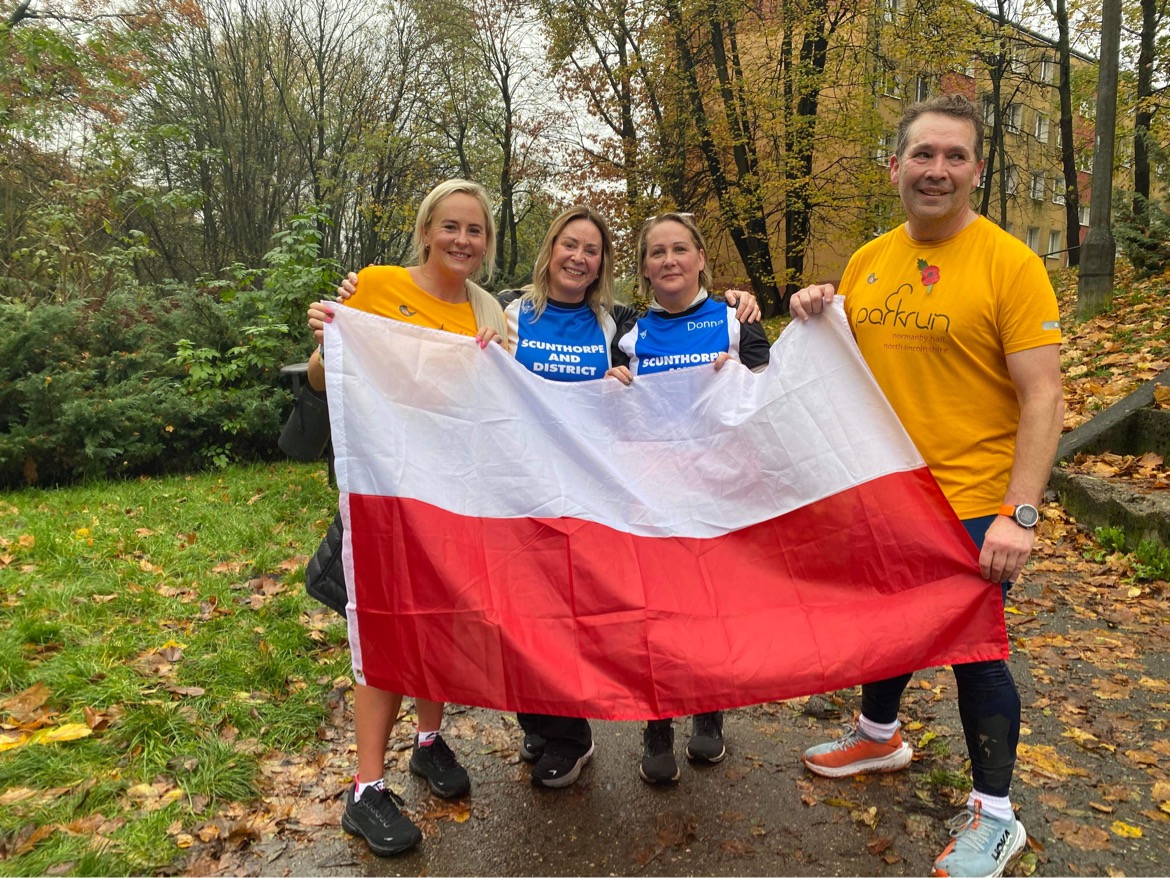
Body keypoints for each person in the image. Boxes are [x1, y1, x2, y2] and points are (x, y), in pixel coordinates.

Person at [337, 206, 762, 791]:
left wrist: (736, 307)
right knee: (523, 610)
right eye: (569, 244)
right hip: (520, 491)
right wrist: (356, 311)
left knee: (597, 609)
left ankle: (639, 719)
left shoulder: (618, 323)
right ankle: (546, 722)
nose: (578, 257)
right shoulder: (505, 309)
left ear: (605, 266)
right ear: (550, 250)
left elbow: (679, 336)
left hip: (594, 497)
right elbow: (451, 347)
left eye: (591, 249)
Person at [789, 94, 1063, 878]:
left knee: (974, 654)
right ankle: (879, 737)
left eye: (954, 156)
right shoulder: (869, 259)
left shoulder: (1012, 263)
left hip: (976, 504)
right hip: (889, 496)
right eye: (923, 155)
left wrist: (1020, 514)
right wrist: (815, 307)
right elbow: (848, 362)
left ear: (976, 170)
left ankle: (996, 816)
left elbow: (1045, 396)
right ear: (895, 167)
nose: (936, 170)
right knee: (890, 625)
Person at [306, 179, 507, 856]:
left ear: (486, 243)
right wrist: (330, 339)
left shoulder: (488, 315)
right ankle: (366, 790)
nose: (461, 240)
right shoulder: (379, 284)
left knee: (440, 625)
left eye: (474, 231)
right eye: (449, 226)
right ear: (425, 230)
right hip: (386, 494)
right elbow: (319, 378)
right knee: (388, 635)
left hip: (452, 497)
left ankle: (428, 740)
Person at [606, 212, 770, 785]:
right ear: (645, 269)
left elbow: (772, 399)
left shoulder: (736, 320)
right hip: (649, 495)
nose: (669, 260)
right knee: (654, 615)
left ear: (701, 258)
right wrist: (614, 384)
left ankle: (709, 713)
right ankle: (657, 724)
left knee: (709, 609)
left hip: (717, 495)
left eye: (680, 250)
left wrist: (740, 377)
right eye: (657, 253)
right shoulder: (625, 330)